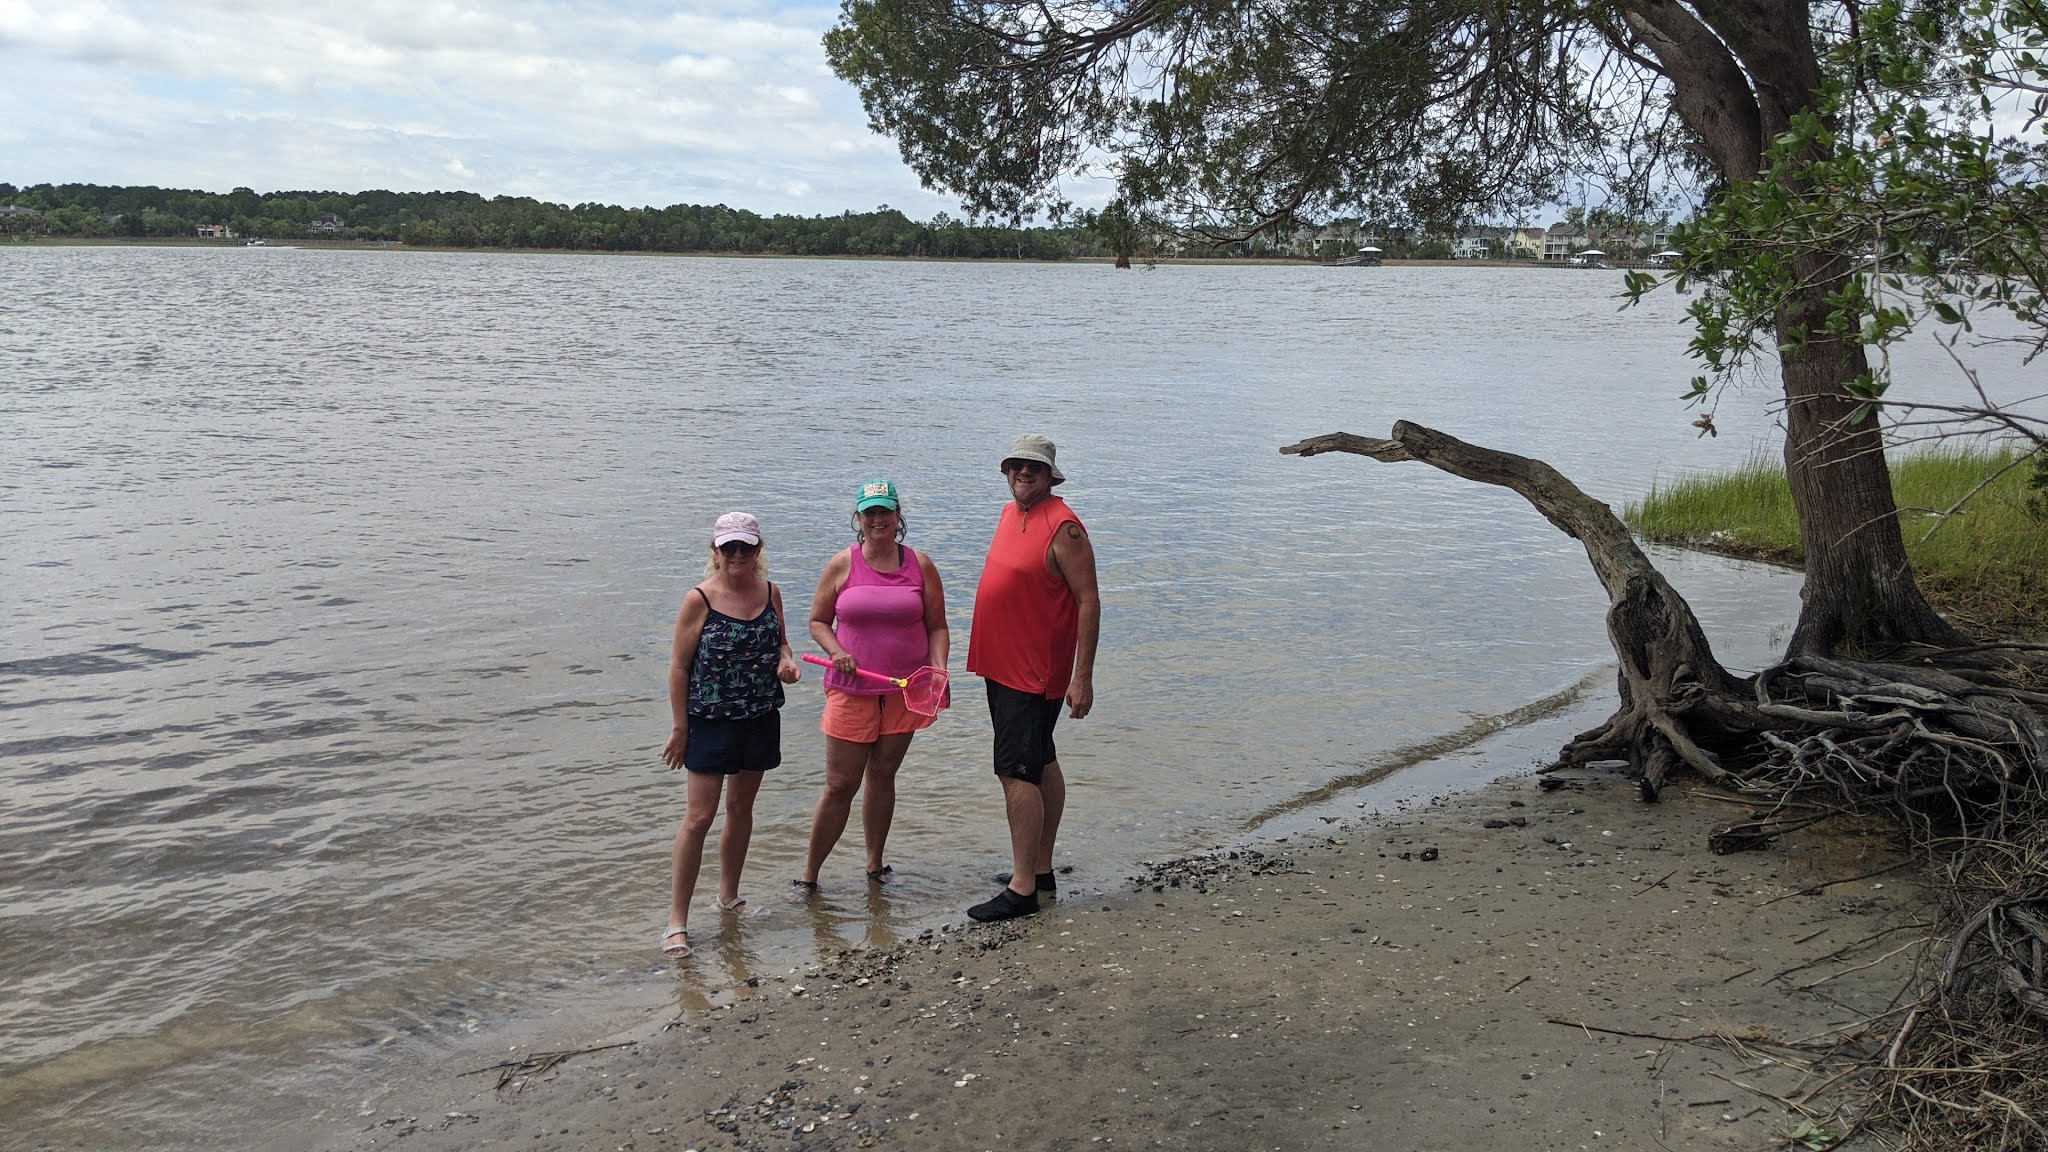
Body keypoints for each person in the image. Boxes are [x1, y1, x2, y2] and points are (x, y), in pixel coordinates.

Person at [965, 434, 1099, 922]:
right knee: (1041, 759)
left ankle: (1022, 891)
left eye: (1034, 469)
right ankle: (1039, 869)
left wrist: (1081, 678)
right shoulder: (1011, 514)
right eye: (1017, 466)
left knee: (1015, 770)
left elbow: (1089, 601)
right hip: (1001, 665)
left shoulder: (1065, 528)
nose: (1024, 474)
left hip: (1033, 672)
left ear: (1049, 476)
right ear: (1006, 471)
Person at [795, 479, 949, 895]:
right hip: (850, 688)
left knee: (883, 774)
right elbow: (817, 622)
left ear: (898, 516)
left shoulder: (921, 565)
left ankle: (875, 865)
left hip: (905, 691)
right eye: (870, 512)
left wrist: (938, 671)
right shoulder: (842, 563)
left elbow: (937, 626)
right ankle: (809, 876)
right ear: (858, 518)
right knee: (840, 784)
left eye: (885, 511)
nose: (878, 519)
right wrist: (837, 649)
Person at [660, 511, 800, 957]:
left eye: (746, 547)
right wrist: (681, 727)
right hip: (710, 721)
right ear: (715, 551)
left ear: (758, 550)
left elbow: (781, 643)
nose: (738, 555)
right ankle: (676, 922)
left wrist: (786, 662)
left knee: (741, 809)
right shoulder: (699, 599)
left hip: (760, 716)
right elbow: (680, 666)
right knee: (699, 818)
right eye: (729, 548)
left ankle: (729, 896)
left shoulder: (772, 592)